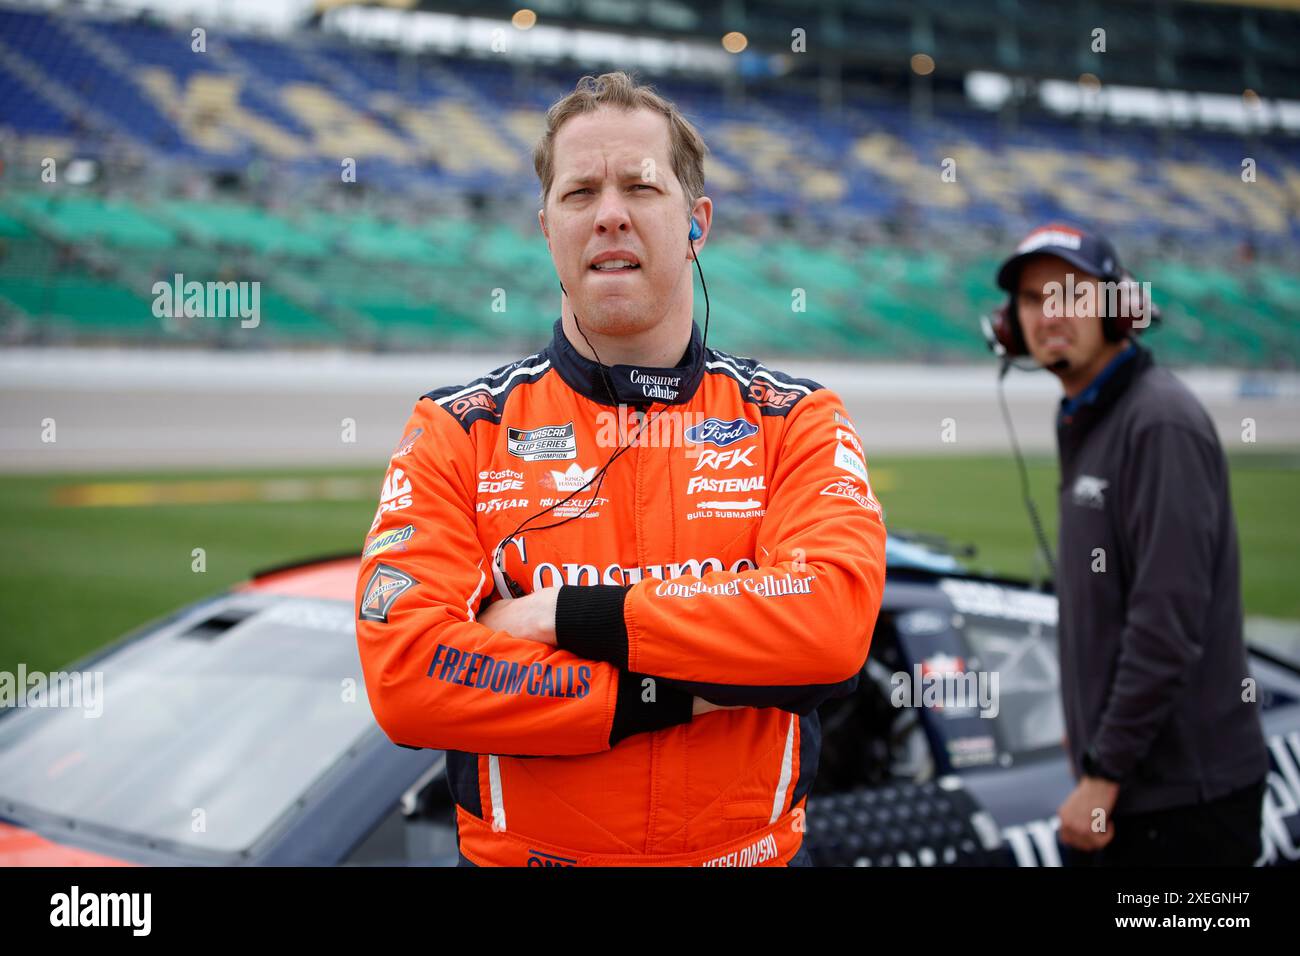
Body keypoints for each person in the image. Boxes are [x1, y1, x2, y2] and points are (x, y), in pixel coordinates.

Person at [355, 72, 887, 867]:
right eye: (579, 194)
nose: (610, 214)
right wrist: (671, 693)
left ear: (696, 223)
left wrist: (560, 616)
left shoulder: (792, 419)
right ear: (547, 228)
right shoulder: (458, 429)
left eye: (641, 185)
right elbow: (407, 674)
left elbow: (828, 625)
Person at [988, 222, 1270, 866]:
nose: (1047, 314)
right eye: (1032, 300)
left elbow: (1166, 623)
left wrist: (1101, 774)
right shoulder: (1093, 414)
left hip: (1185, 801)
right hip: (1142, 789)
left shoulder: (1159, 422)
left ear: (1117, 309)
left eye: (1070, 295)